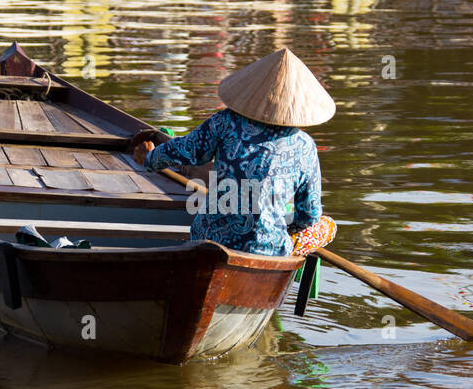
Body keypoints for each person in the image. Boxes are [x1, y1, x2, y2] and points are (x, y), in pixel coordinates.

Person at [129, 47, 337, 257]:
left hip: (210, 239)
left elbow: (185, 150)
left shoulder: (224, 122)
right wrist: (279, 225)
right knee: (327, 226)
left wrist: (150, 158)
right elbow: (308, 216)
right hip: (268, 250)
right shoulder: (305, 146)